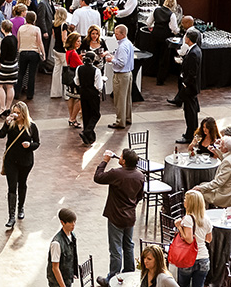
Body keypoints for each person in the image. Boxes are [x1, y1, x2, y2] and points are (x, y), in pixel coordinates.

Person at [93, 148, 144, 284]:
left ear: (124, 161)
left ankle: (113, 278)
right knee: (128, 245)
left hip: (116, 216)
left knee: (115, 249)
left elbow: (98, 177)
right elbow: (140, 196)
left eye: (121, 157)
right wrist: (130, 206)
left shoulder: (117, 174)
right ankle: (129, 273)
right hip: (130, 216)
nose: (119, 157)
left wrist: (105, 161)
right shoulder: (140, 175)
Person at [0, 101, 40, 227]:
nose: (16, 115)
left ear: (24, 113)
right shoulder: (10, 124)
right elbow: (1, 135)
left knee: (22, 184)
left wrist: (30, 145)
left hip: (25, 161)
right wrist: (6, 123)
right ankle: (11, 216)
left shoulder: (31, 126)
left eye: (18, 113)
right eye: (14, 112)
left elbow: (37, 143)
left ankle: (21, 207)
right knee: (12, 187)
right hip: (11, 160)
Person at [172, 190, 213, 287]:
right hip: (203, 258)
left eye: (186, 199)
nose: (184, 201)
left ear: (190, 203)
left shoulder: (188, 219)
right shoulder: (207, 219)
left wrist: (179, 227)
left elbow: (189, 240)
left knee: (183, 285)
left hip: (188, 259)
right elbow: (209, 239)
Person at [192, 135, 231, 207]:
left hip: (226, 196)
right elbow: (226, 157)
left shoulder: (228, 162)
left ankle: (203, 214)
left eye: (221, 145)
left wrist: (200, 188)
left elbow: (218, 183)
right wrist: (215, 151)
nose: (219, 146)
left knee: (198, 191)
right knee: (202, 185)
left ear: (226, 149)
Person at [175, 28, 203, 144]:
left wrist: (185, 84)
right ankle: (191, 133)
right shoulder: (196, 50)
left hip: (190, 88)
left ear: (188, 39)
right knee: (192, 110)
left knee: (190, 112)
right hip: (192, 87)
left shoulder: (193, 53)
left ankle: (190, 135)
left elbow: (192, 73)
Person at [75, 52, 104, 146]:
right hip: (93, 94)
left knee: (86, 114)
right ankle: (87, 132)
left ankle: (88, 138)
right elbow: (98, 86)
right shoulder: (96, 70)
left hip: (83, 93)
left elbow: (76, 81)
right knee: (96, 114)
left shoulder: (79, 68)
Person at [109, 25, 135, 130]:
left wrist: (111, 59)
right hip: (128, 74)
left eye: (117, 34)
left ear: (123, 34)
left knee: (120, 99)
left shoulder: (123, 46)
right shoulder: (129, 43)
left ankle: (120, 121)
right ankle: (127, 118)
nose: (115, 36)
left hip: (121, 75)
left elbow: (121, 63)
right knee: (127, 98)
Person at [17, 10, 46, 101]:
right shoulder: (36, 29)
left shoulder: (21, 28)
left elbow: (18, 41)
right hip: (34, 53)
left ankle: (17, 92)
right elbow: (39, 42)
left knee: (21, 73)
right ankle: (30, 94)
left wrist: (19, 51)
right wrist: (43, 53)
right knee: (32, 74)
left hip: (23, 52)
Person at [47, 208, 79, 287]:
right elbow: (55, 268)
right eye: (70, 222)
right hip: (57, 283)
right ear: (62, 222)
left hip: (67, 279)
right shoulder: (56, 243)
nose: (73, 224)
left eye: (74, 221)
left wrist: (73, 273)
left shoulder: (72, 236)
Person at [0, 20, 19, 117]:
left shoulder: (5, 40)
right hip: (13, 65)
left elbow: (3, 55)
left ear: (2, 29)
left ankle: (2, 108)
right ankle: (9, 107)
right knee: (10, 86)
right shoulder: (14, 38)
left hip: (5, 66)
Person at [64, 32, 83, 128]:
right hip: (75, 78)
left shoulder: (68, 51)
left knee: (71, 97)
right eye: (78, 41)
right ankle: (73, 118)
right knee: (79, 98)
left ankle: (71, 117)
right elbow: (81, 66)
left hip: (69, 77)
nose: (80, 43)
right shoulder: (74, 53)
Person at [50, 7, 69, 99]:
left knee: (56, 70)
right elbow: (64, 38)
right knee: (66, 70)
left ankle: (55, 92)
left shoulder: (54, 24)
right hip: (63, 51)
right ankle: (66, 93)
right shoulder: (64, 25)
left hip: (56, 49)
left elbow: (54, 36)